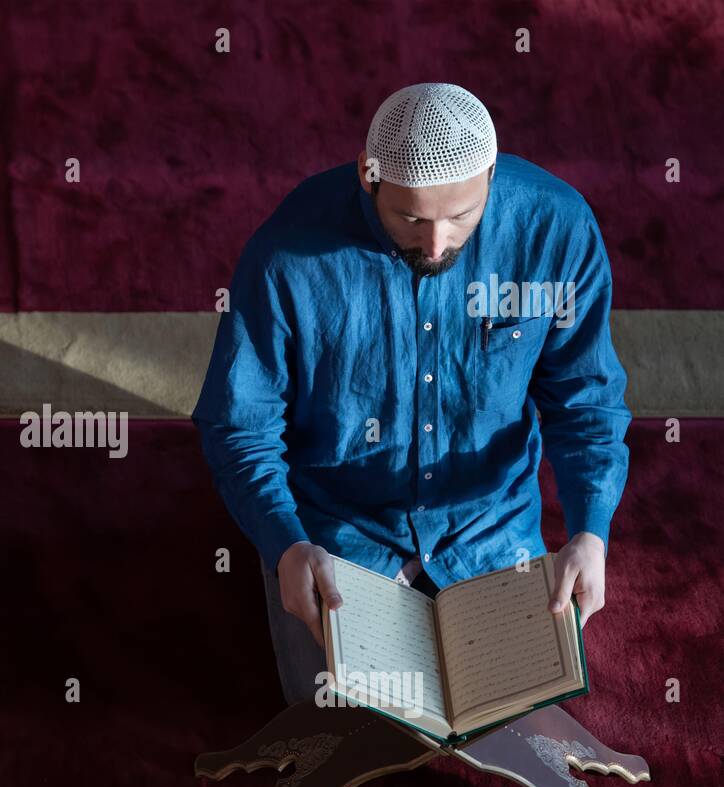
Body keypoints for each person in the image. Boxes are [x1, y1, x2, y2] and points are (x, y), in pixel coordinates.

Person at [191, 83, 632, 706]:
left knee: (520, 717)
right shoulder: (286, 253)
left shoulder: (554, 230)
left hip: (489, 525)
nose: (435, 245)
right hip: (341, 528)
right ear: (366, 178)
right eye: (412, 219)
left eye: (461, 217)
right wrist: (285, 545)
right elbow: (239, 423)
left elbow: (586, 397)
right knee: (345, 721)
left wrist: (590, 530)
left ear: (492, 173)